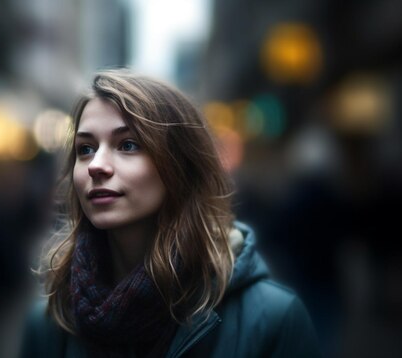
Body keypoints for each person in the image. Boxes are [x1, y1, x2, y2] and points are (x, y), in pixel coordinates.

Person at [20, 69, 321, 357]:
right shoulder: (50, 322)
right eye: (85, 149)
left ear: (180, 167)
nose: (96, 165)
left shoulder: (274, 320)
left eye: (127, 144)